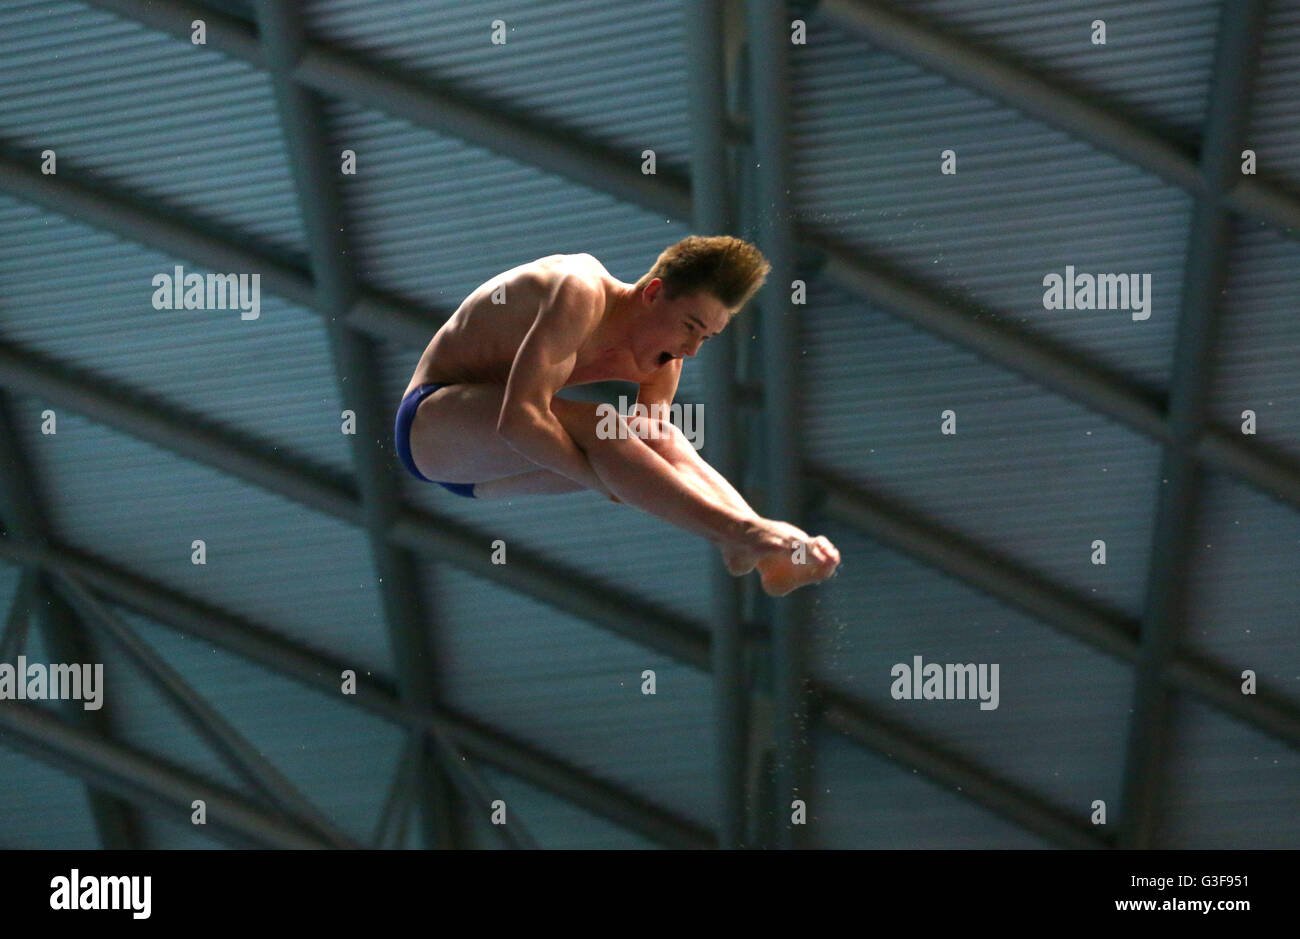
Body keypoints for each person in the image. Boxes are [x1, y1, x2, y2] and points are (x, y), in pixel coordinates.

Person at [394, 235, 840, 595]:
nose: (690, 348)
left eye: (708, 338)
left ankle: (751, 545)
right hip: (432, 425)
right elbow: (519, 420)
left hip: (487, 472)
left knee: (650, 435)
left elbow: (659, 445)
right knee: (603, 426)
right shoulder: (578, 291)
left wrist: (735, 521)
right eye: (689, 326)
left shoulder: (667, 357)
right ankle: (745, 533)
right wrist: (604, 482)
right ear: (653, 292)